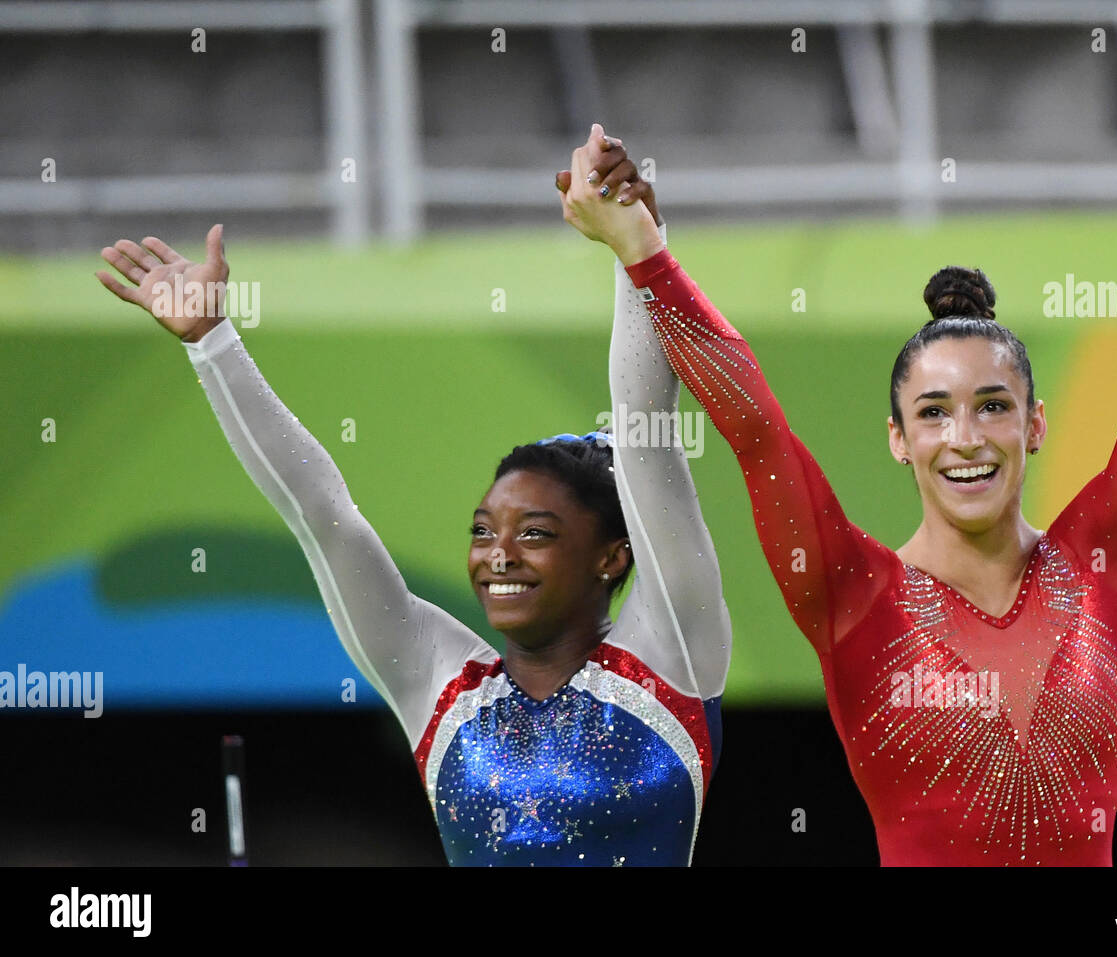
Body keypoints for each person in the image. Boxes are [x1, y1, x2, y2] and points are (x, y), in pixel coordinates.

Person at [559, 23, 1117, 865]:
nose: (965, 438)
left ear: (1035, 425)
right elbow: (756, 430)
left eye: (993, 405)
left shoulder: (1108, 555)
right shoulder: (851, 592)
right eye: (933, 412)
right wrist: (644, 254)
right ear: (898, 438)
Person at [94, 129, 730, 866]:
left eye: (536, 533)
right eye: (485, 530)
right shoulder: (440, 684)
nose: (499, 555)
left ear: (613, 556)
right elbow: (321, 515)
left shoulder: (672, 651)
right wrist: (212, 342)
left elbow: (644, 434)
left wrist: (635, 248)